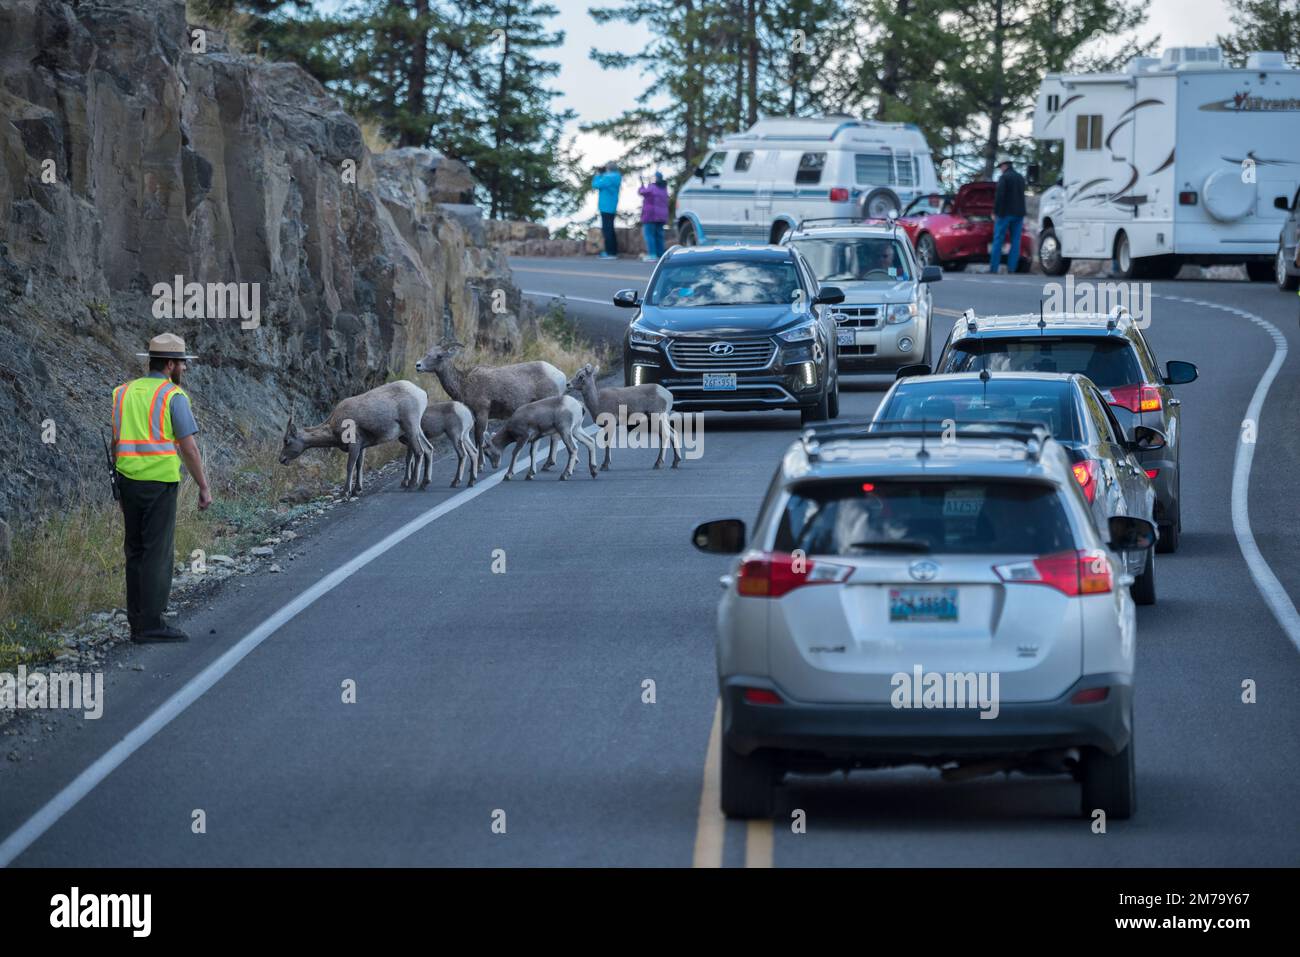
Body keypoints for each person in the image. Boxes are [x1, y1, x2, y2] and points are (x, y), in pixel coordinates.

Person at [112, 333, 212, 642]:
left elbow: (117, 440)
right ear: (170, 365)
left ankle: (136, 622)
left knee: (135, 550)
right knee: (158, 552)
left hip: (128, 480)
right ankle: (152, 624)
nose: (184, 368)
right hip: (159, 483)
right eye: (182, 363)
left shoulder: (123, 392)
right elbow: (189, 447)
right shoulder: (172, 396)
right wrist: (204, 487)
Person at [990, 155, 1026, 274]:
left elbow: (999, 197)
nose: (1000, 169)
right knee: (1016, 241)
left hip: (1004, 213)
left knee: (998, 240)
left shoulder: (1004, 178)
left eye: (1000, 166)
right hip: (1019, 213)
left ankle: (994, 269)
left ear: (1004, 165)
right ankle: (1011, 269)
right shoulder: (1020, 177)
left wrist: (995, 212)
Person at [592, 161, 622, 259]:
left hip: (605, 206)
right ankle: (613, 251)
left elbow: (595, 185)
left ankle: (610, 253)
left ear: (608, 168)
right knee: (610, 229)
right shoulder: (617, 177)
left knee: (607, 230)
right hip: (612, 206)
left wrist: (598, 174)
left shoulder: (607, 178)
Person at [638, 171, 669, 262]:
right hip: (662, 215)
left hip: (651, 215)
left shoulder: (652, 187)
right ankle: (660, 254)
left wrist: (642, 184)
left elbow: (642, 192)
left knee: (649, 235)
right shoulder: (664, 188)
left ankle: (652, 254)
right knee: (659, 235)